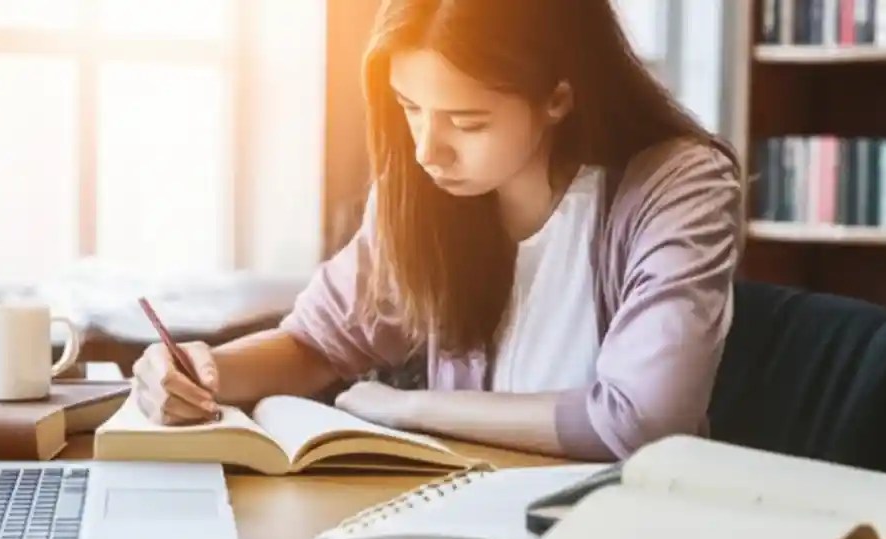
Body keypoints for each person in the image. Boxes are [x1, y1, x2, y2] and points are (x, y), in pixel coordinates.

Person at [131, 0, 742, 461]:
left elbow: (641, 420)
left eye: (467, 122)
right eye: (410, 108)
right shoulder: (431, 192)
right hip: (459, 516)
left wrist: (412, 408)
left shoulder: (676, 185)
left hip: (616, 538)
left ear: (558, 97)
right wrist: (199, 369)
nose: (428, 151)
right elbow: (316, 345)